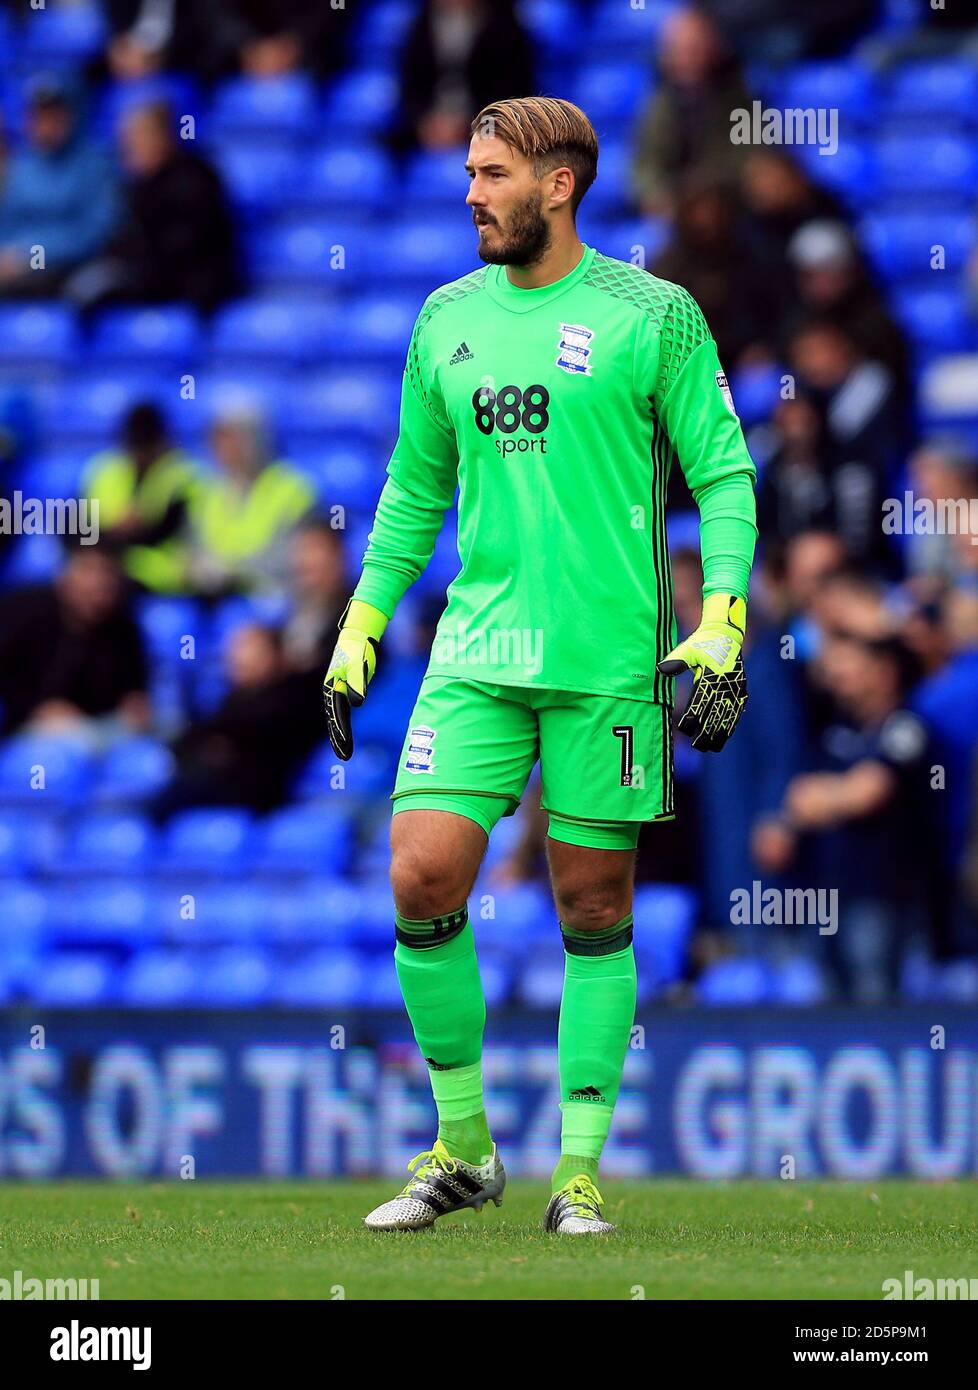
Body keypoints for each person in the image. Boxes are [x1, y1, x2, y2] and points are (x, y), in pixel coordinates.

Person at [321, 97, 757, 1234]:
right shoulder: (443, 318)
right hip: (476, 648)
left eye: (492, 174)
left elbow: (723, 474)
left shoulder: (650, 314)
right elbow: (417, 489)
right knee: (419, 871)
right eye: (469, 172)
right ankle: (464, 1148)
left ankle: (575, 1174)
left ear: (558, 186)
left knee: (592, 900)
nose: (470, 192)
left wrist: (721, 615)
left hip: (609, 657)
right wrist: (364, 618)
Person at [72, 100, 238, 313]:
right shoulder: (137, 184)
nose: (128, 149)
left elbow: (187, 245)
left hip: (194, 285)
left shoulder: (194, 180)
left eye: (136, 139)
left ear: (161, 137)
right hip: (151, 276)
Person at [0, 549, 148, 738]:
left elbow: (133, 694)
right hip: (24, 731)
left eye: (107, 578)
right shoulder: (22, 614)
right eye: (89, 573)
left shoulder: (124, 627)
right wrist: (33, 711)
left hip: (100, 731)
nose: (98, 587)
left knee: (147, 759)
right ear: (64, 578)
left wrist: (134, 704)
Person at [0, 75, 120, 296]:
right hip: (17, 267)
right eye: (38, 116)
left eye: (53, 116)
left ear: (70, 116)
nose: (45, 124)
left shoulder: (96, 165)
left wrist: (32, 254)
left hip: (72, 266)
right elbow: (7, 225)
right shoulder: (20, 167)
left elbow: (95, 231)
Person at [630, 7, 752, 217]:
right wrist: (656, 195)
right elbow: (645, 167)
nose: (686, 58)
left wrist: (700, 191)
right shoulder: (658, 105)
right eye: (676, 50)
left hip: (727, 209)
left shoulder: (741, 102)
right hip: (674, 211)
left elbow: (745, 164)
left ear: (715, 49)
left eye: (694, 49)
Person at [186, 401, 315, 597]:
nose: (224, 447)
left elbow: (295, 556)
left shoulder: (291, 488)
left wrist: (235, 573)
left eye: (232, 438)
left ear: (255, 439)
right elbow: (191, 547)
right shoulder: (207, 490)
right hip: (214, 595)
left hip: (273, 594)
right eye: (218, 439)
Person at [83, 402, 200, 593]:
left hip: (161, 578)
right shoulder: (105, 470)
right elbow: (78, 527)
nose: (139, 455)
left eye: (145, 446)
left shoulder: (183, 475)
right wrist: (116, 530)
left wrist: (133, 529)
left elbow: (170, 532)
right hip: (109, 571)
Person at [392, 0, 534, 154]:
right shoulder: (420, 24)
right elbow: (412, 85)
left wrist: (467, 126)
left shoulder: (505, 27)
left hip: (485, 125)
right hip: (427, 129)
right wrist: (424, 124)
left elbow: (511, 92)